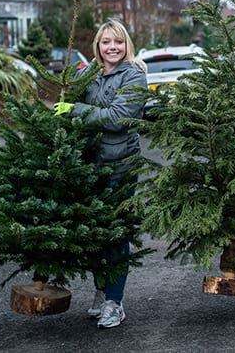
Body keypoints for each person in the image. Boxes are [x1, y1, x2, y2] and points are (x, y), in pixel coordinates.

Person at [54, 18, 148, 327]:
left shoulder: (134, 75)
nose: (112, 48)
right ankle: (101, 290)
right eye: (106, 42)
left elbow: (118, 118)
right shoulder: (90, 74)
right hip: (89, 166)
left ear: (126, 45)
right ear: (97, 45)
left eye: (118, 42)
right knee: (93, 234)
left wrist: (75, 111)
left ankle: (114, 301)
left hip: (119, 165)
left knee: (114, 234)